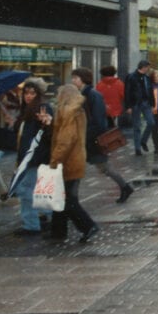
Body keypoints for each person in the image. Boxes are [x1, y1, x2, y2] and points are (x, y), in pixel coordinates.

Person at [71, 68, 136, 204]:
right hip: (83, 139)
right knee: (77, 168)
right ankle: (72, 198)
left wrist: (85, 134)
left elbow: (100, 122)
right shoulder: (80, 94)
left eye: (75, 78)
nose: (73, 81)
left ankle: (125, 187)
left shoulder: (93, 95)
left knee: (102, 167)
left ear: (83, 79)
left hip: (91, 139)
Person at [45, 84, 99, 243]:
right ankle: (58, 231)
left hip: (68, 162)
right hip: (74, 159)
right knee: (60, 197)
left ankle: (88, 226)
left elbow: (65, 140)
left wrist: (54, 161)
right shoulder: (76, 111)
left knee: (67, 199)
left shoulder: (68, 113)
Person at [7, 77, 53, 234]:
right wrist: (14, 124)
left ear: (38, 94)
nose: (28, 96)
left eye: (32, 93)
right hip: (29, 157)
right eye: (26, 93)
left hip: (35, 157)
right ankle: (48, 217)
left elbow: (50, 132)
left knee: (26, 190)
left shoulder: (42, 109)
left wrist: (47, 123)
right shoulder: (26, 111)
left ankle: (31, 225)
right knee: (36, 190)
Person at [124, 60, 155, 155]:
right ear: (143, 67)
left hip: (146, 103)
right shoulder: (131, 77)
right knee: (137, 126)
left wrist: (153, 104)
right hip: (135, 103)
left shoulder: (146, 78)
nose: (148, 69)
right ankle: (137, 148)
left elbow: (150, 91)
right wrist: (128, 106)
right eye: (147, 67)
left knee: (151, 122)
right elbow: (127, 92)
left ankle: (143, 140)